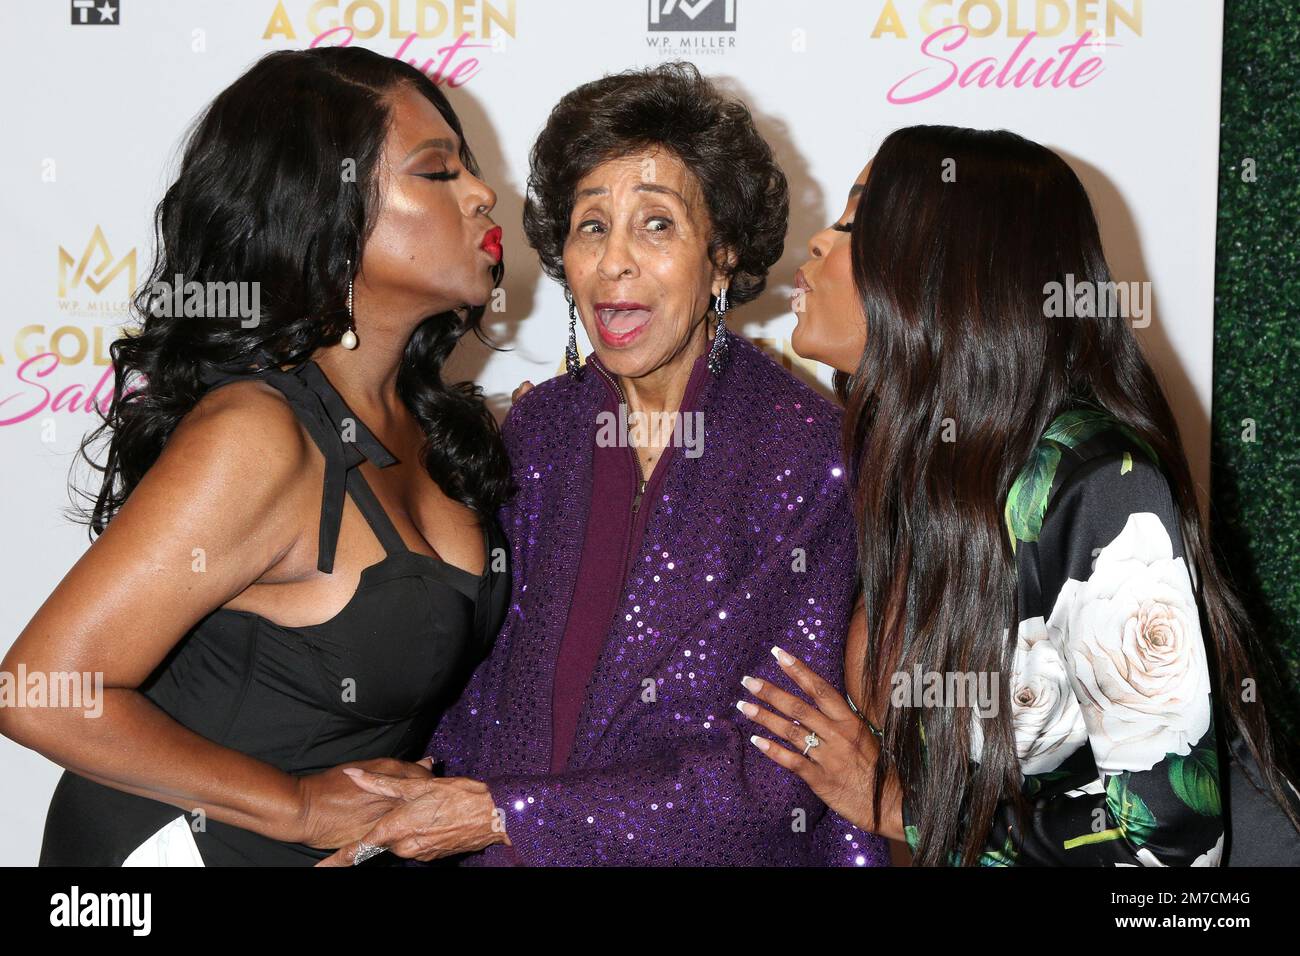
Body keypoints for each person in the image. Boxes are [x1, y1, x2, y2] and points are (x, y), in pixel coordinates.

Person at [319, 61, 889, 867]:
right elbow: (485, 682)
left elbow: (777, 769)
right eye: (591, 225)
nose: (614, 261)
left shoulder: (808, 456)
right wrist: (406, 794)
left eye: (657, 224)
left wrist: (506, 813)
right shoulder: (540, 429)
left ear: (721, 255)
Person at [0, 46, 510, 866]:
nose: (484, 193)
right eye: (437, 172)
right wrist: (302, 808)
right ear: (325, 210)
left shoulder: (436, 424)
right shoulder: (257, 432)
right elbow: (41, 694)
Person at [738, 124, 1300, 866]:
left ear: (951, 273)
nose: (817, 242)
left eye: (856, 222)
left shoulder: (1093, 480)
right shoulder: (911, 467)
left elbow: (1173, 838)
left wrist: (903, 812)